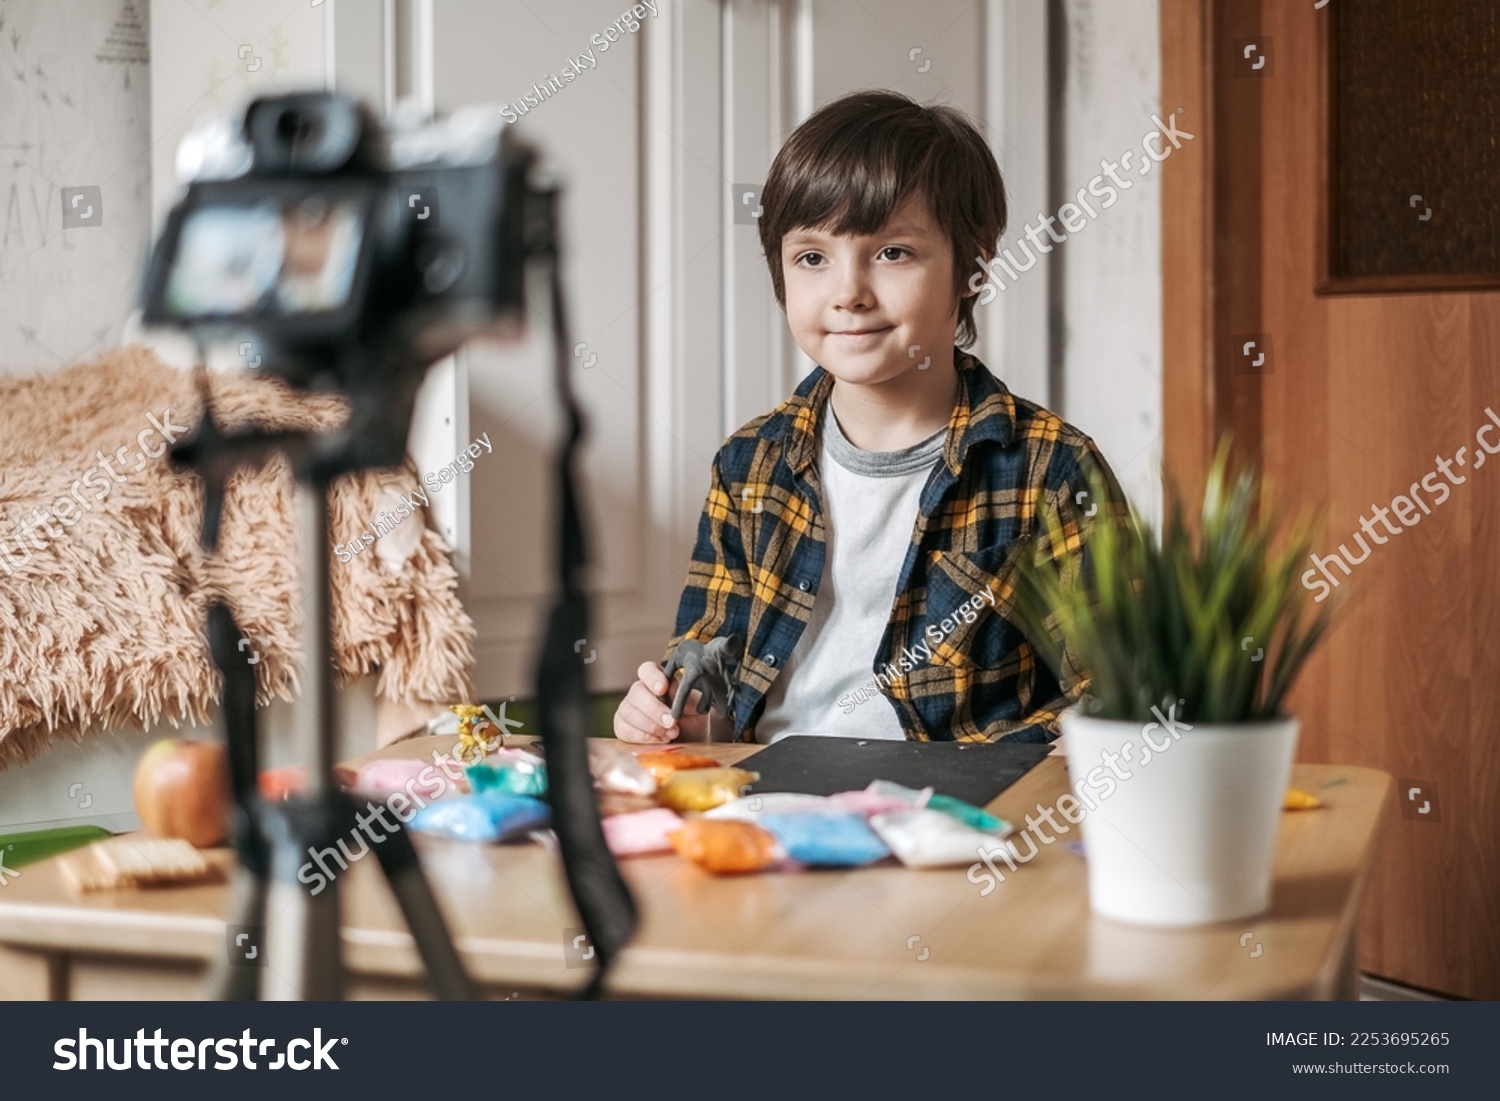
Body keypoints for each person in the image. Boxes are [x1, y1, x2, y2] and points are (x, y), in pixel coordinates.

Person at [613, 90, 1122, 746]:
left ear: (972, 267)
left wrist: (999, 765)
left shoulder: (1051, 467)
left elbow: (1119, 692)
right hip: (771, 804)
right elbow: (714, 671)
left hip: (958, 818)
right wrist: (673, 711)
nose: (849, 292)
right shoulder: (748, 464)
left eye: (892, 253)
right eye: (813, 257)